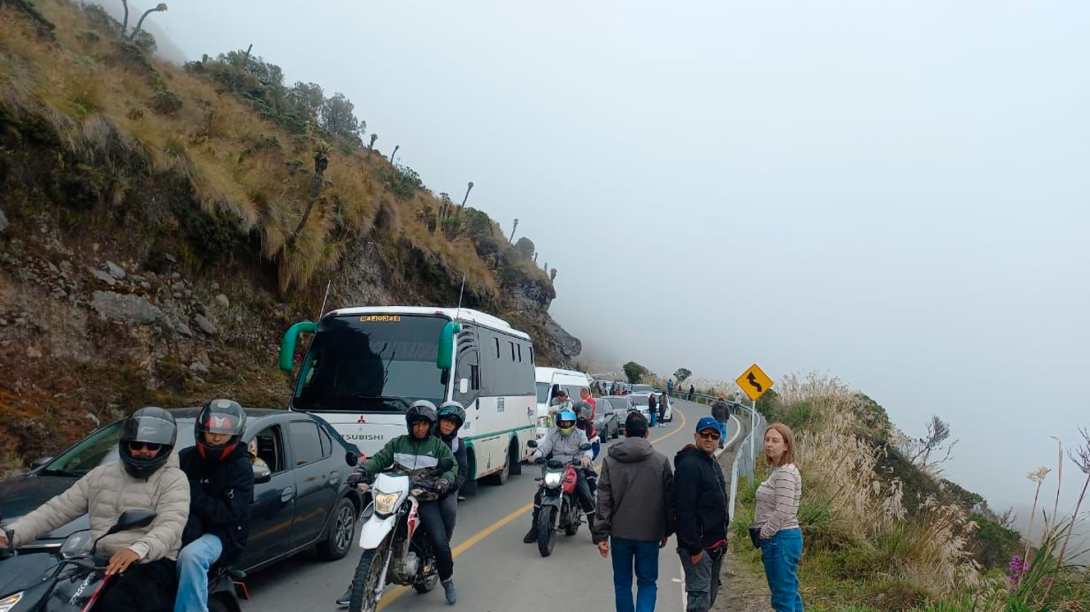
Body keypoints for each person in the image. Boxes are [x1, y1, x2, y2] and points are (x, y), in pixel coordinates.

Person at [0, 407, 190, 612]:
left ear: (165, 448)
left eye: (152, 445)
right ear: (126, 444)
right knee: (56, 600)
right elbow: (57, 509)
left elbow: (172, 524)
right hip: (102, 559)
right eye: (137, 444)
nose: (144, 450)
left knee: (119, 603)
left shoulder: (174, 479)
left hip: (152, 560)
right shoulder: (100, 475)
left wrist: (138, 549)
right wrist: (11, 535)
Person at [336, 401, 459, 606]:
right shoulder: (398, 443)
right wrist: (362, 471)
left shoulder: (438, 446)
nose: (420, 428)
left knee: (439, 542)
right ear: (410, 424)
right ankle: (357, 585)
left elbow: (451, 467)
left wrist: (444, 480)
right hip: (396, 495)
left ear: (431, 426)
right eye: (416, 424)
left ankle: (447, 580)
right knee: (379, 537)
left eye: (424, 424)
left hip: (424, 498)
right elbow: (379, 460)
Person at [176, 399, 254, 612]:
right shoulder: (185, 458)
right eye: (211, 431)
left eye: (223, 432)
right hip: (180, 526)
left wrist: (191, 492)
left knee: (191, 557)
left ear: (235, 434)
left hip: (223, 535)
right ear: (201, 429)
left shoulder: (241, 467)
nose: (216, 437)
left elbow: (226, 514)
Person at [593, 412, 675, 612]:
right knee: (647, 582)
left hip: (620, 534)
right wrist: (666, 530)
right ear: (647, 434)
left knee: (622, 583)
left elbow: (603, 499)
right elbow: (669, 501)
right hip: (649, 534)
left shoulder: (610, 461)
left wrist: (601, 535)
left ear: (624, 432)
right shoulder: (661, 461)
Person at [673, 416, 729, 612]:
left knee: (708, 598)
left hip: (716, 544)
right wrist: (695, 548)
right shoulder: (689, 466)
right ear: (696, 436)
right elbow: (683, 510)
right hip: (699, 548)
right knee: (699, 602)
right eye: (704, 435)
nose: (709, 439)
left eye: (714, 436)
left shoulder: (711, 462)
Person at [523, 409, 596, 543]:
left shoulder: (580, 434)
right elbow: (545, 448)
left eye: (568, 423)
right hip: (555, 468)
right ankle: (535, 529)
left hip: (575, 467)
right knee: (539, 495)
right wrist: (535, 456)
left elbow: (588, 450)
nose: (565, 426)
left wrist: (585, 458)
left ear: (573, 423)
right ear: (558, 423)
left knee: (586, 495)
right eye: (562, 423)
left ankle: (595, 528)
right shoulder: (553, 434)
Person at [756, 423, 804, 612]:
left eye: (775, 441)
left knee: (782, 598)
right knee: (789, 593)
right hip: (783, 539)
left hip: (780, 539)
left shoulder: (785, 472)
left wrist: (764, 533)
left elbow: (783, 510)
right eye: (767, 440)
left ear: (786, 445)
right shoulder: (782, 470)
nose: (769, 444)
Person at [435, 401, 469, 539]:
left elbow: (462, 469)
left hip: (446, 486)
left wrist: (450, 486)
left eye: (452, 423)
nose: (448, 425)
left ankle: (443, 544)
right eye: (446, 421)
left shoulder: (457, 444)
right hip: (421, 482)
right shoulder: (426, 437)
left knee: (449, 511)